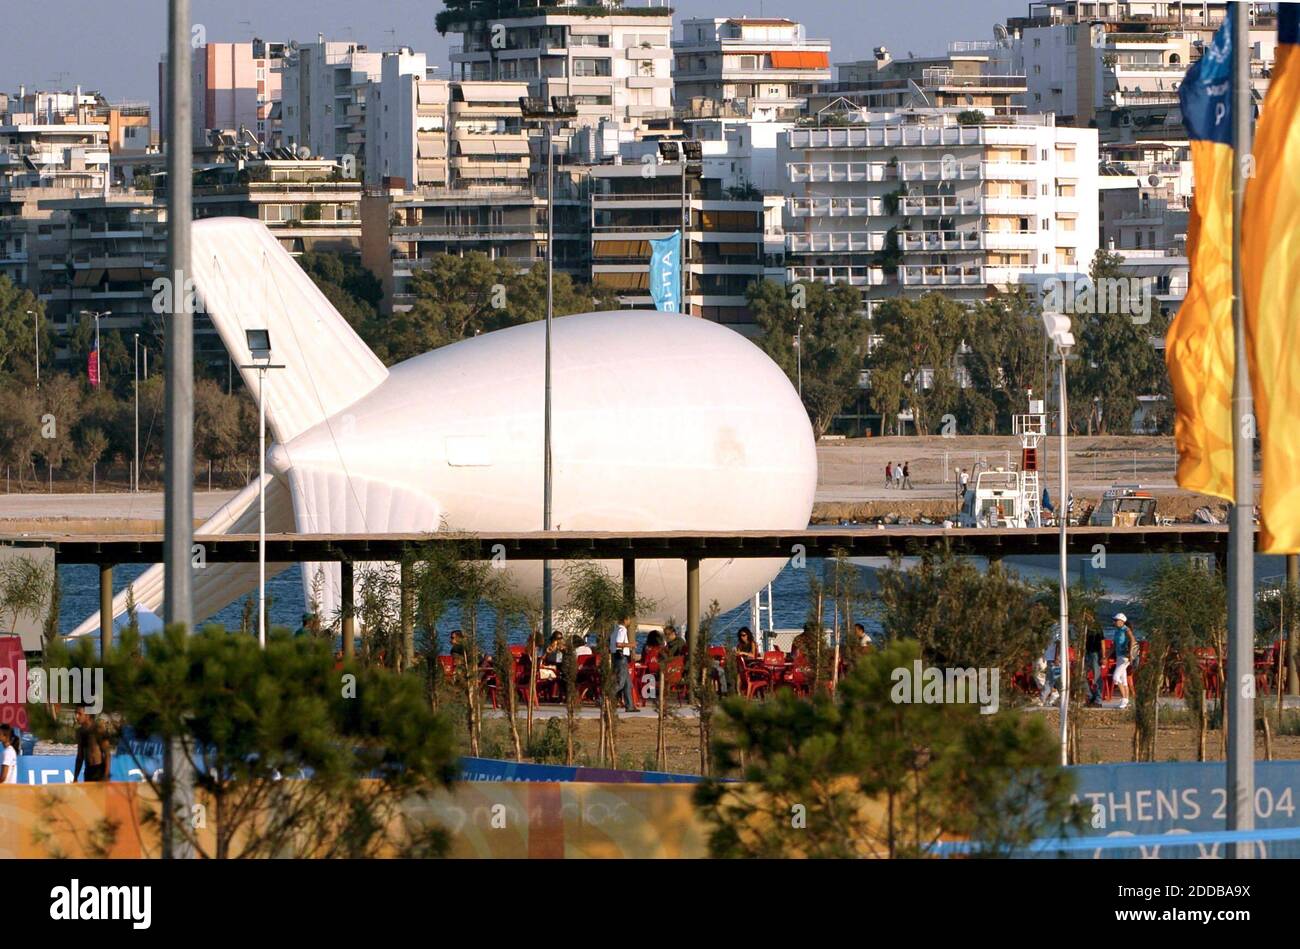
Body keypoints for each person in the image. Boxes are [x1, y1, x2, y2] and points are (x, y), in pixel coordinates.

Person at [74, 706, 112, 783]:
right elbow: (80, 756)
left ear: (87, 715)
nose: (76, 717)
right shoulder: (79, 732)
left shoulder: (98, 729)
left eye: (79, 714)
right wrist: (75, 777)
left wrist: (106, 774)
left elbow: (107, 754)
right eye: (76, 713)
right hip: (88, 770)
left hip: (100, 770)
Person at [611, 614, 636, 712]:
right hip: (621, 657)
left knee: (627, 684)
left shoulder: (615, 630)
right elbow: (618, 644)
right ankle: (604, 697)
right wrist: (631, 644)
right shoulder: (622, 630)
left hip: (616, 657)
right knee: (620, 682)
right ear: (625, 620)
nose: (630, 622)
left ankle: (629, 706)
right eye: (629, 619)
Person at [1112, 612, 1137, 710]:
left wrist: (1131, 653)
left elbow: (1133, 640)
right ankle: (1125, 700)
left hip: (1125, 657)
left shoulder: (1126, 629)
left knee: (1115, 677)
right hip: (1119, 656)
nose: (1114, 622)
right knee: (1123, 679)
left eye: (1116, 620)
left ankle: (1124, 700)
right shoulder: (1117, 631)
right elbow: (1114, 645)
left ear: (1122, 621)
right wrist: (1106, 656)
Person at [1085, 621, 1105, 706]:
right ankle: (1090, 696)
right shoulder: (1084, 627)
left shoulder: (1097, 628)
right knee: (1081, 675)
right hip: (1087, 653)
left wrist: (1103, 656)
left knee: (1097, 677)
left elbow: (1102, 642)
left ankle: (1098, 699)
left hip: (1095, 653)